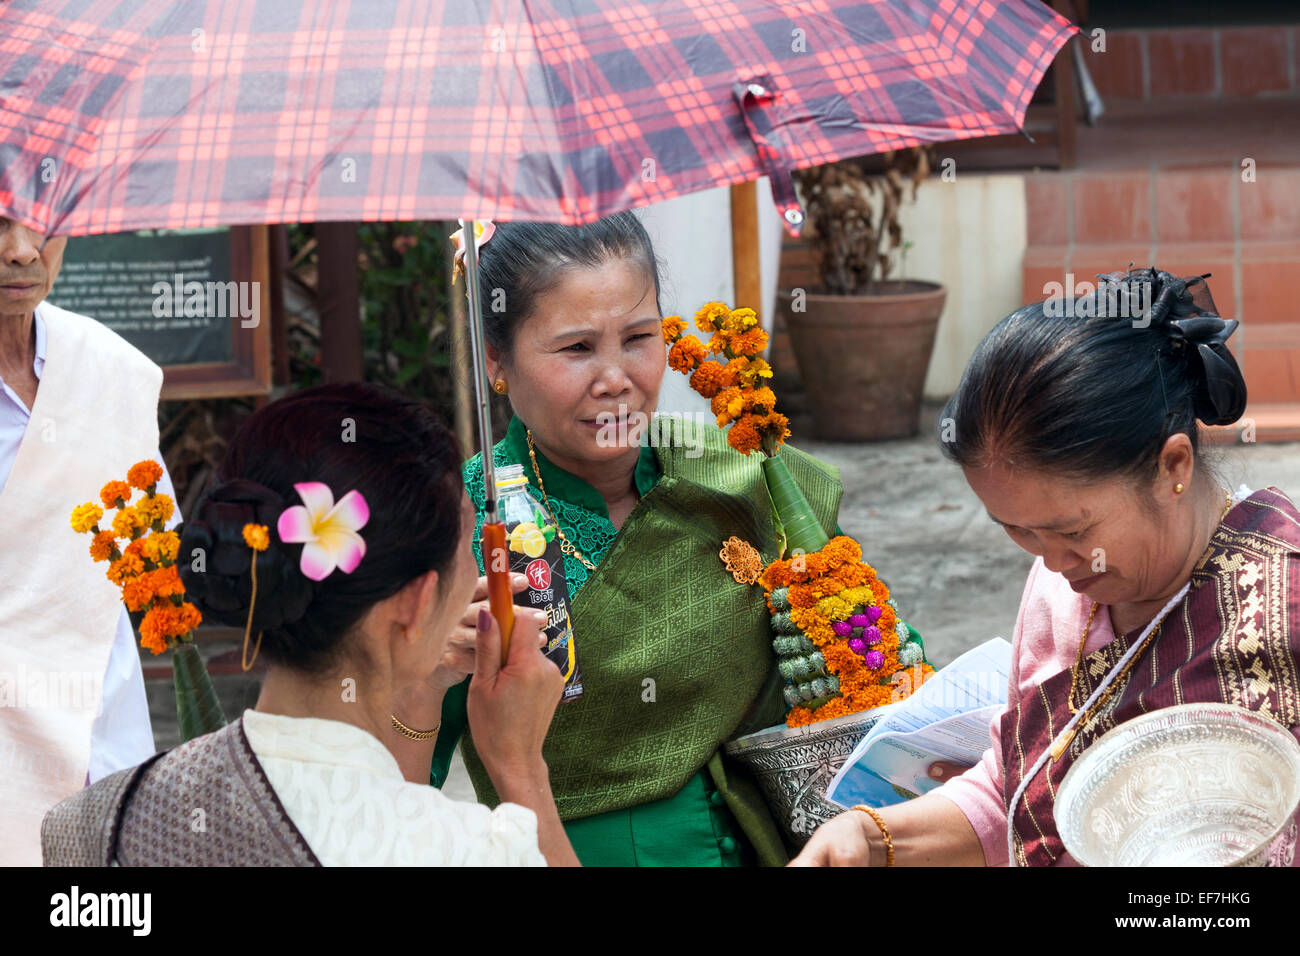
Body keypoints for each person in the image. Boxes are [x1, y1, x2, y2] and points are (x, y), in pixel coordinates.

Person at [792, 267, 1300, 867]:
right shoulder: (1064, 587)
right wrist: (873, 838)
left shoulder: (1279, 603)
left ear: (1172, 467)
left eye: (1072, 531)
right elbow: (1018, 788)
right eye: (1016, 529)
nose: (1053, 563)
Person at [430, 213, 848, 866]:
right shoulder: (461, 528)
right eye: (576, 349)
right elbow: (394, 769)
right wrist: (430, 671)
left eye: (638, 338)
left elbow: (864, 648)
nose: (616, 378)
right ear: (496, 360)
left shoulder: (740, 469)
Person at [42, 383, 579, 866]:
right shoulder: (473, 851)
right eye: (467, 552)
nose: (478, 575)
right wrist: (519, 766)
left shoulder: (93, 826)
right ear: (416, 603)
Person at [0, 217, 176, 865]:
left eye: (41, 227)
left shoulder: (110, 368)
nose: (21, 252)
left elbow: (149, 548)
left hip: (104, 733)